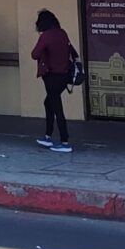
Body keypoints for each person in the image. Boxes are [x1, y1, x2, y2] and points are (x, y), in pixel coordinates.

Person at [31, 9, 74, 153]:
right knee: (49, 103)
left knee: (56, 106)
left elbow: (34, 54)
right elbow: (72, 51)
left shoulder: (46, 36)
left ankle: (64, 141)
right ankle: (47, 136)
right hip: (64, 75)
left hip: (52, 76)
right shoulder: (62, 33)